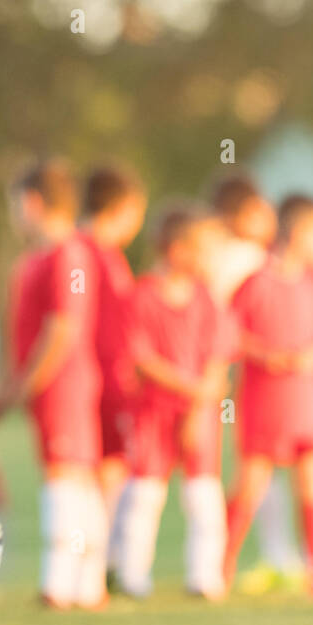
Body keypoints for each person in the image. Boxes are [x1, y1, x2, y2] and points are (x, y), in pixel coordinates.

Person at [222, 195, 313, 597]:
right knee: (253, 480)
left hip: (311, 398)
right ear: (297, 234)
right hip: (267, 399)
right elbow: (228, 335)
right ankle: (220, 568)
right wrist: (268, 355)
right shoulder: (256, 282)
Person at [3, 159, 107, 610]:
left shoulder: (69, 254)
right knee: (75, 477)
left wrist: (27, 383)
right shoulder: (38, 258)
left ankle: (61, 583)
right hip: (55, 386)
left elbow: (63, 327)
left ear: (31, 203)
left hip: (64, 385)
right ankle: (87, 584)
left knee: (66, 478)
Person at [115, 209, 228, 599]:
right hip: (153, 411)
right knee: (145, 493)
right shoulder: (143, 295)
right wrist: (192, 389)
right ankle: (132, 575)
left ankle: (205, 577)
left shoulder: (205, 298)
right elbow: (142, 359)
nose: (208, 259)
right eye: (202, 250)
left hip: (199, 413)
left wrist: (198, 406)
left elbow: (217, 357)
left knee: (203, 495)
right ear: (178, 250)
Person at [205, 175, 304, 593]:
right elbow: (228, 322)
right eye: (259, 210)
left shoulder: (234, 254)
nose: (269, 218)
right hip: (245, 377)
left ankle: (278, 556)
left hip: (243, 375)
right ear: (237, 216)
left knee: (263, 470)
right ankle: (222, 563)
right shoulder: (239, 257)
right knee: (253, 469)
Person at [80, 164, 147, 586]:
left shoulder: (101, 255)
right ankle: (98, 562)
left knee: (106, 469)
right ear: (121, 209)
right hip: (102, 381)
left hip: (101, 380)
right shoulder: (92, 255)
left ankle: (102, 560)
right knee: (104, 470)